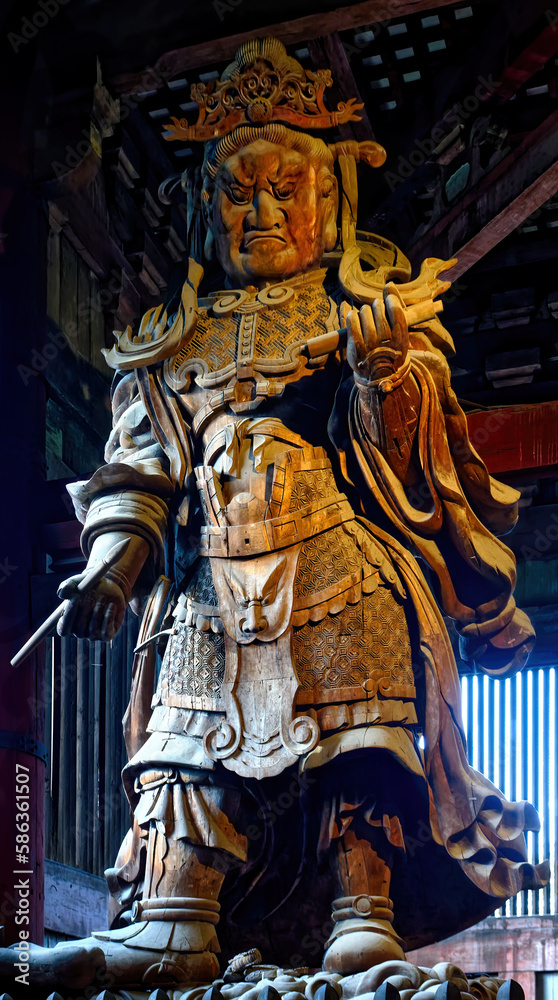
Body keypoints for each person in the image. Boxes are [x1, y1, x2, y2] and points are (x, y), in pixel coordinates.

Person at [32, 38, 549, 989]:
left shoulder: (370, 303)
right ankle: (177, 915)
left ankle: (364, 906)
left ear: (331, 199)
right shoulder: (171, 343)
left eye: (287, 190)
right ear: (204, 208)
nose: (262, 212)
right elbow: (137, 464)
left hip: (338, 563)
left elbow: (412, 456)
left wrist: (384, 371)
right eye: (238, 193)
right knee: (179, 739)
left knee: (358, 736)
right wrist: (114, 560)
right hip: (207, 579)